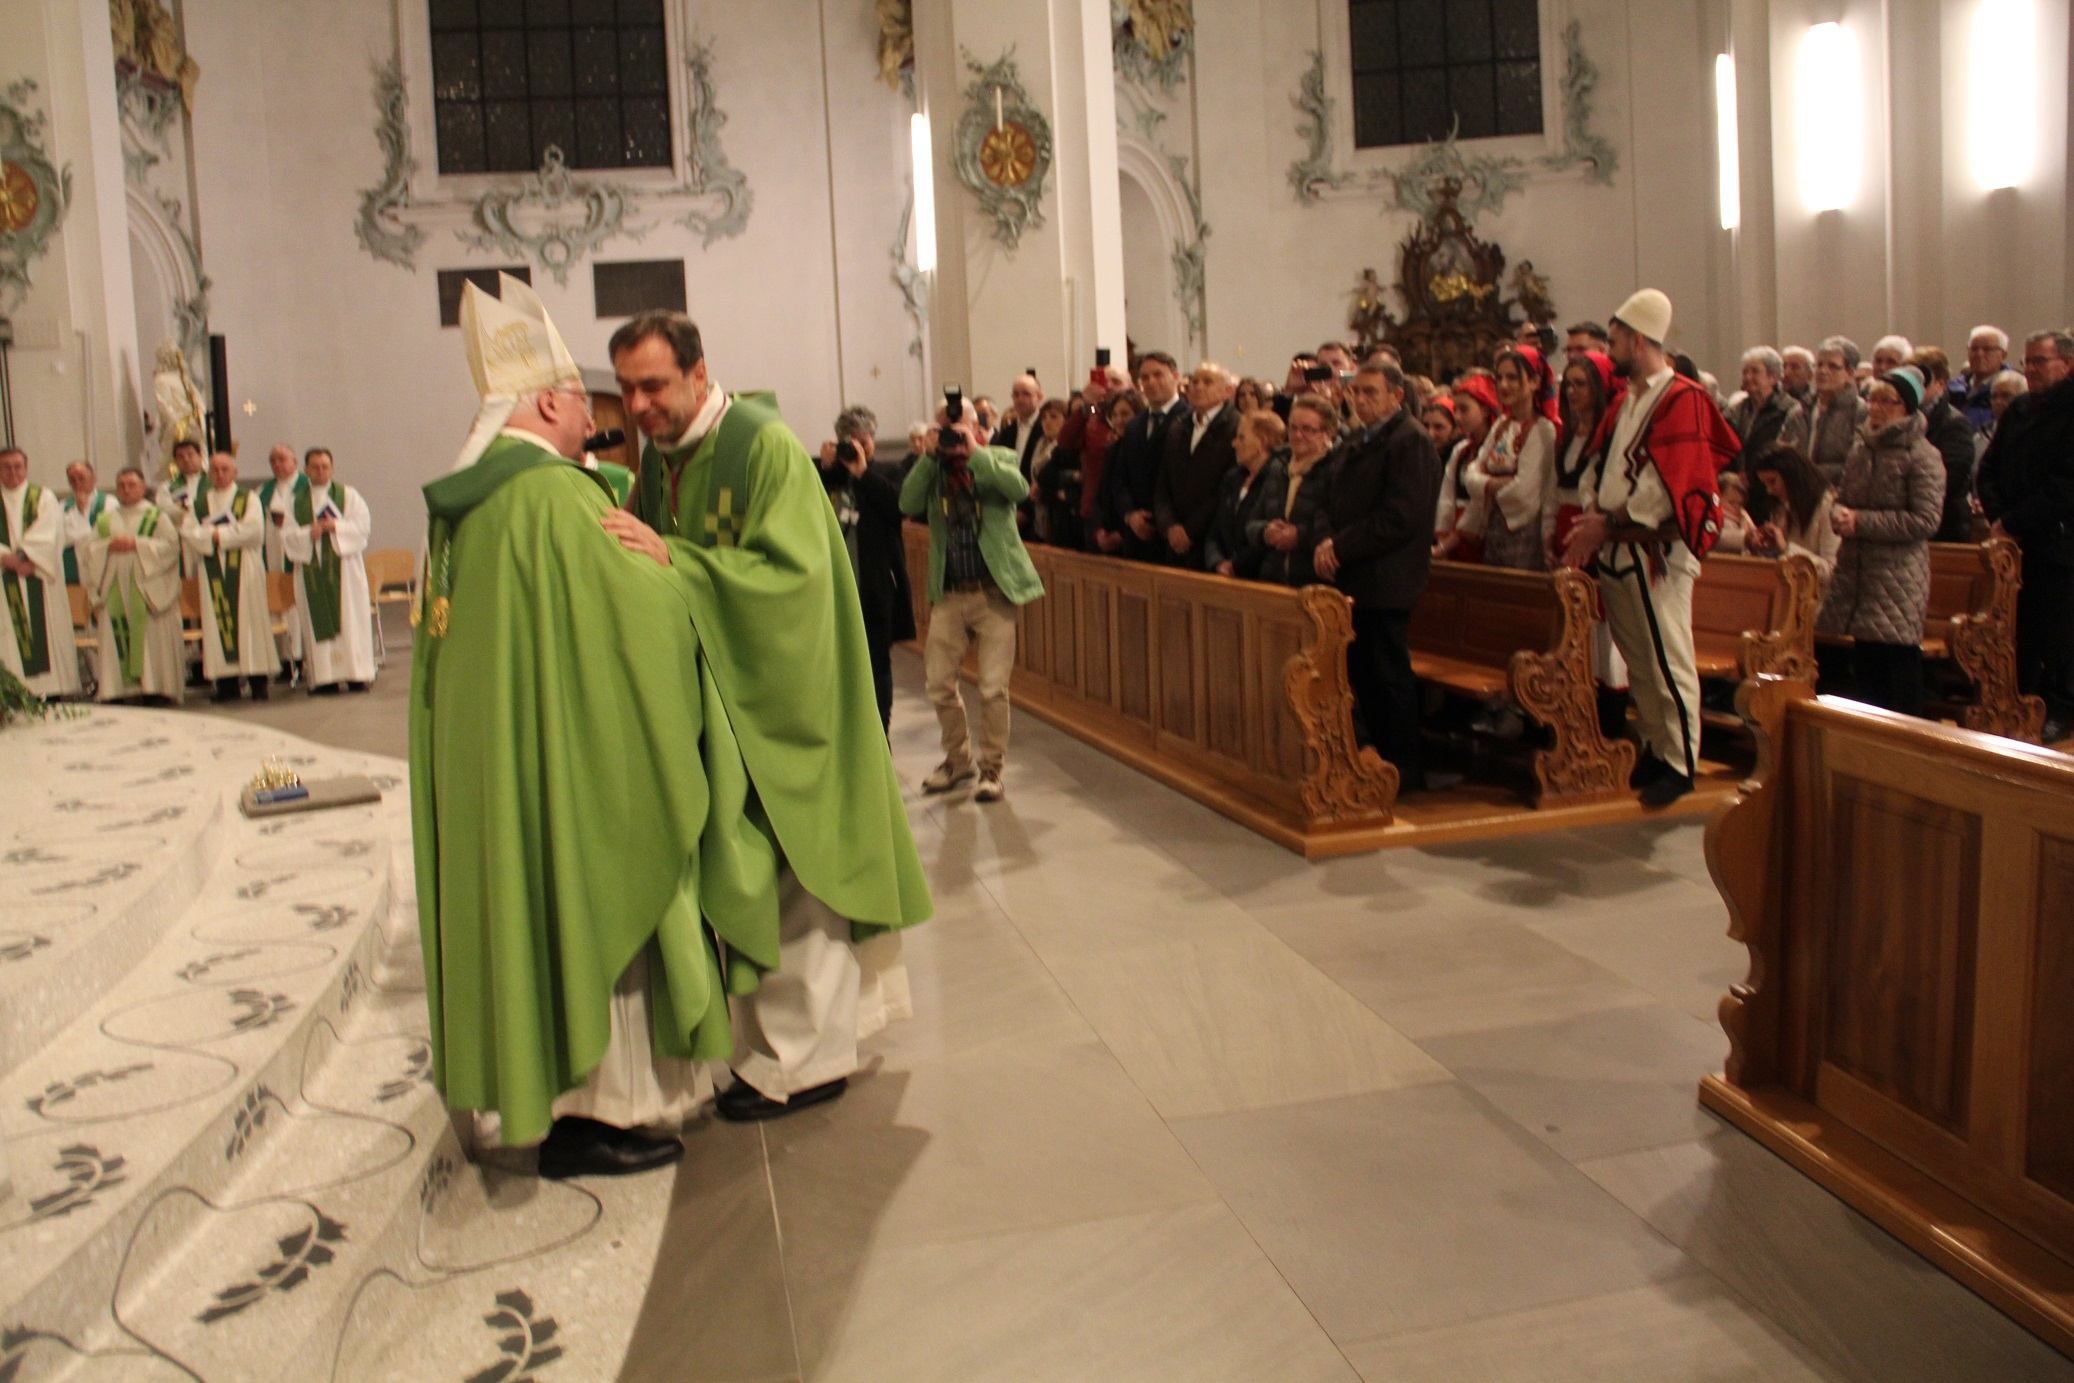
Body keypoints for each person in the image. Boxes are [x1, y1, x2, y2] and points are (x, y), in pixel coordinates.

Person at [414, 277, 725, 1177]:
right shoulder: (555, 498)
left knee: (530, 909)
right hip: (572, 769)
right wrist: (683, 580)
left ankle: (552, 1098)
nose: (594, 421)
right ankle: (597, 1109)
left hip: (504, 766)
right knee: (588, 908)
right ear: (549, 400)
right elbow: (639, 619)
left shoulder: (472, 506)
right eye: (584, 404)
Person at [604, 305, 931, 1124]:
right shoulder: (665, 460)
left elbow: (791, 578)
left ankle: (811, 1059)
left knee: (801, 871)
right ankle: (766, 1050)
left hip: (790, 694)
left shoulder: (763, 446)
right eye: (626, 389)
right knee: (750, 871)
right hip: (730, 695)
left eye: (653, 385)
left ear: (699, 373)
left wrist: (678, 561)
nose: (639, 405)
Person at [1562, 289, 1741, 809]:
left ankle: (1682, 762)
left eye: (1614, 340)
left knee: (1669, 657)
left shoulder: (1682, 397)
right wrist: (1596, 509)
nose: (1609, 349)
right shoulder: (1627, 398)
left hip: (1655, 550)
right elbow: (1603, 462)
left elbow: (1670, 481)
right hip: (1619, 544)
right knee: (1639, 660)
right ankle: (1657, 749)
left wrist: (1611, 520)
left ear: (1638, 340)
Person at [901, 397, 1044, 802]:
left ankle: (992, 770)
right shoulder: (933, 469)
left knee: (993, 688)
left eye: (957, 424)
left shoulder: (997, 456)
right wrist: (930, 458)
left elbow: (1017, 491)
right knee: (939, 683)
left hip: (992, 591)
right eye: (944, 424)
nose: (951, 432)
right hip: (949, 592)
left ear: (974, 424)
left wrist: (976, 452)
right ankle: (957, 760)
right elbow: (906, 504)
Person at [1312, 359, 1443, 788]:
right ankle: (1370, 760)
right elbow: (1328, 499)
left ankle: (1404, 766)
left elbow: (1401, 516)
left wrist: (1341, 546)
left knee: (1388, 675)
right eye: (1356, 392)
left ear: (1397, 396)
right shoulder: (1356, 440)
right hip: (1354, 576)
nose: (1361, 400)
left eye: (1371, 392)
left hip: (1388, 578)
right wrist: (1326, 539)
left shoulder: (1411, 441)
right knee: (1360, 675)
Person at [1817, 367, 1945, 717]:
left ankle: (1907, 756)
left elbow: (1925, 520)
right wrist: (1839, 513)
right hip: (1856, 574)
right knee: (1865, 674)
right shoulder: (1861, 449)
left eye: (1885, 401)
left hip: (1896, 577)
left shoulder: (1922, 455)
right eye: (1872, 398)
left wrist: (1861, 522)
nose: (1875, 407)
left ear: (1905, 406)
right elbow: (1843, 497)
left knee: (1895, 672)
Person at [1976, 328, 2074, 741]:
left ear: (2067, 365)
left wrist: (2013, 522)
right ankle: (2023, 703)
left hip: (2057, 543)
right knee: (2022, 633)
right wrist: (2001, 520)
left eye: (2040, 361)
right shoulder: (2017, 410)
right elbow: (1988, 471)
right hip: (2013, 545)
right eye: (2028, 361)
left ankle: (2062, 709)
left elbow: (2065, 486)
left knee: (2061, 633)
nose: (2030, 369)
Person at [818, 404, 915, 730]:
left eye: (864, 440)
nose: (858, 446)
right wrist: (826, 469)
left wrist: (862, 472)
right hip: (836, 585)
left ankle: (881, 733)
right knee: (838, 663)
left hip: (876, 586)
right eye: (851, 440)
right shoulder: (829, 475)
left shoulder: (888, 472)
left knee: (877, 664)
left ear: (873, 439)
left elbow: (896, 506)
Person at [181, 450, 279, 702]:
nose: (220, 474)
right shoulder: (200, 503)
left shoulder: (249, 499)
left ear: (235, 472)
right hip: (212, 571)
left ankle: (258, 682)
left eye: (225, 469)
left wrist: (216, 535)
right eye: (214, 469)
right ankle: (226, 684)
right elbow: (189, 533)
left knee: (250, 622)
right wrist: (216, 536)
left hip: (245, 570)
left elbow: (255, 531)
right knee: (217, 623)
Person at [83, 466, 184, 704]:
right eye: (121, 485)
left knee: (151, 638)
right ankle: (116, 691)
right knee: (115, 636)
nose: (126, 490)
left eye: (132, 485)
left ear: (142, 487)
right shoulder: (106, 520)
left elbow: (171, 547)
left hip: (147, 588)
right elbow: (88, 551)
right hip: (115, 585)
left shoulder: (156, 516)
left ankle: (155, 689)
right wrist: (107, 546)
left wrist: (137, 544)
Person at [279, 447, 376, 694]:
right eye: (315, 467)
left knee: (350, 621)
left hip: (345, 572)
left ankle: (357, 675)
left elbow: (362, 528)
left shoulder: (348, 496)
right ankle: (325, 678)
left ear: (332, 468)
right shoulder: (295, 501)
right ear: (306, 470)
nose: (320, 471)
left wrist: (336, 527)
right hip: (312, 570)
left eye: (324, 466)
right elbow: (287, 536)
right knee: (316, 620)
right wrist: (306, 533)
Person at [1459, 346, 1557, 571]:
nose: (1503, 385)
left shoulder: (1542, 429)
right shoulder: (1501, 425)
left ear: (1534, 382)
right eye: (1499, 377)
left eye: (1512, 377)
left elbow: (1524, 492)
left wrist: (1484, 484)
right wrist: (1495, 482)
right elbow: (1470, 474)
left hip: (1522, 529)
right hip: (1493, 526)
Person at [1, 447, 83, 699]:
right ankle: (15, 692)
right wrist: (9, 559)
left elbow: (51, 533)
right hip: (6, 575)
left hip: (38, 575)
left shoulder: (43, 497)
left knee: (46, 631)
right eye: (6, 467)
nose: (12, 472)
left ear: (26, 467)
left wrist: (26, 556)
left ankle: (52, 690)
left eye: (17, 466)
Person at [1094, 353, 1185, 558]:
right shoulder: (1135, 425)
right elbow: (1118, 477)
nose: (1150, 382)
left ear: (1175, 376)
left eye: (1158, 375)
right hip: (1135, 533)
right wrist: (1130, 515)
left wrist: (1165, 521)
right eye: (1144, 377)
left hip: (1171, 531)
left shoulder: (1187, 419)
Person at [1154, 362, 1240, 569]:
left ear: (1227, 391)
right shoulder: (1179, 425)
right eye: (1194, 381)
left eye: (1207, 382)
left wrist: (1189, 531)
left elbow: (1226, 488)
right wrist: (1170, 526)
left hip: (1209, 539)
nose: (1198, 387)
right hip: (1173, 539)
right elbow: (1163, 482)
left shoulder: (1235, 426)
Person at [1254, 392, 1336, 587]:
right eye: (1293, 428)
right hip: (1274, 578)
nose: (1298, 436)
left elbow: (1338, 525)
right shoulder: (1278, 466)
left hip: (1314, 580)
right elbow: (1251, 522)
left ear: (1328, 433)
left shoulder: (1336, 467)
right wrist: (1266, 532)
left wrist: (1300, 536)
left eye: (1307, 429)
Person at [1906, 348, 1978, 542]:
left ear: (1940, 383)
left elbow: (1952, 476)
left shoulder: (1954, 423)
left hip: (1944, 525)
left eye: (1922, 380)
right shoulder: (1902, 420)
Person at [1205, 409, 1282, 578]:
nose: (1234, 443)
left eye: (1241, 437)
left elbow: (1268, 536)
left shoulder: (1277, 479)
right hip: (1224, 576)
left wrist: (1236, 566)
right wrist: (1217, 562)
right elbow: (1216, 529)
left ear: (1263, 441)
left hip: (1256, 577)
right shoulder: (1233, 479)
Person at [1746, 443, 1840, 578]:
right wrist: (1765, 548)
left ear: (1792, 476)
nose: (1769, 490)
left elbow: (1831, 570)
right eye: (1765, 484)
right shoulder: (1781, 508)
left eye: (1773, 481)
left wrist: (1787, 549)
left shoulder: (1828, 507)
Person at [1433, 372, 1498, 561]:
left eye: (1464, 409)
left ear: (1485, 410)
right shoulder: (1461, 449)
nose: (1458, 417)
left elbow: (1481, 504)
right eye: (1456, 410)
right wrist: (1442, 535)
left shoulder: (1496, 450)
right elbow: (1447, 495)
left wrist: (1449, 542)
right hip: (1454, 534)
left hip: (1478, 533)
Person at [258, 443, 308, 681]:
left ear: (295, 462)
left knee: (296, 606)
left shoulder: (306, 488)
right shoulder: (263, 491)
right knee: (276, 605)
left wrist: (286, 520)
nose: (277, 464)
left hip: (297, 557)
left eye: (282, 459)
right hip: (272, 556)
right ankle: (284, 659)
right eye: (273, 460)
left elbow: (309, 518)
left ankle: (300, 657)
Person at [1724, 347, 1809, 463]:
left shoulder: (1789, 409)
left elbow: (1788, 453)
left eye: (1755, 372)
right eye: (1745, 372)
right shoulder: (1735, 411)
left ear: (1773, 378)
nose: (1748, 377)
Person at [1806, 337, 1869, 485]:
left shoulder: (1860, 412)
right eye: (1819, 365)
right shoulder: (1801, 409)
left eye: (1832, 366)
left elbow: (1859, 464)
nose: (1822, 371)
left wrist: (1811, 474)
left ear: (1850, 374)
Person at [1026, 397, 1071, 545]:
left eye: (1053, 416)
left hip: (1060, 513)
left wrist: (1043, 491)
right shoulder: (1040, 444)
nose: (1047, 421)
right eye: (1043, 417)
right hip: (1039, 512)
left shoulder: (1066, 448)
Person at [1951, 325, 2010, 431]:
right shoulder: (1952, 388)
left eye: (1987, 349)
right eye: (1974, 349)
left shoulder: (2011, 389)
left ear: (2003, 355)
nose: (1979, 354)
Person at [59, 461, 108, 588]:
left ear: (93, 479)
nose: (77, 483)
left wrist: (81, 515)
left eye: (81, 478)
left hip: (103, 570)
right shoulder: (62, 506)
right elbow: (61, 537)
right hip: (72, 571)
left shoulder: (108, 503)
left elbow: (102, 535)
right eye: (72, 480)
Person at [1780, 346, 1817, 410]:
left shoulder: (1815, 405)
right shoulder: (1770, 404)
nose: (1786, 373)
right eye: (1784, 366)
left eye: (1795, 367)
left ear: (1809, 375)